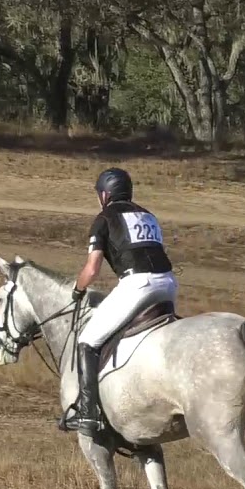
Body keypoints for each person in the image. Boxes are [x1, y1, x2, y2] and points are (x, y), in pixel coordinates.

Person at [58, 167, 177, 436]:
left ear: (105, 195)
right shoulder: (148, 215)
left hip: (138, 285)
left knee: (87, 341)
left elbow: (92, 270)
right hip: (168, 284)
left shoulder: (104, 218)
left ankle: (88, 414)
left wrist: (77, 290)